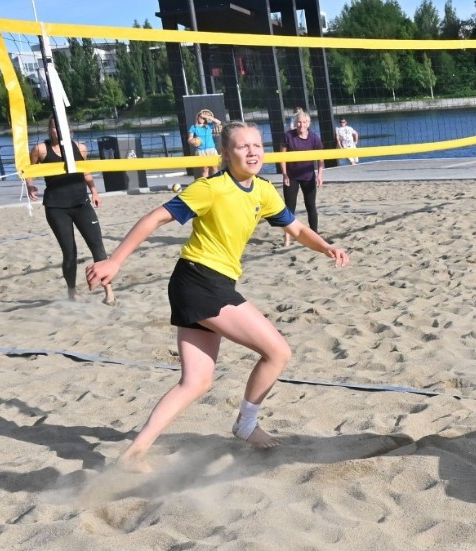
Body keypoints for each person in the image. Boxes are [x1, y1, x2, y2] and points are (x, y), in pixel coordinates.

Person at [85, 121, 349, 473]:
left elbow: (297, 229)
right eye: (243, 146)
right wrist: (115, 261)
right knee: (278, 351)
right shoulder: (210, 188)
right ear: (226, 153)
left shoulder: (263, 191)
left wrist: (326, 246)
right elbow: (155, 218)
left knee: (196, 382)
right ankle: (246, 424)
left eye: (257, 145)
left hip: (206, 282)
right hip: (200, 281)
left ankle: (134, 453)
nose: (253, 151)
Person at [25, 116, 115, 305]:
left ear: (68, 129)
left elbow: (85, 171)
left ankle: (109, 293)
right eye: (54, 127)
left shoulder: (80, 147)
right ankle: (72, 292)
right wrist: (30, 185)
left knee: (97, 246)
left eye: (61, 126)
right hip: (56, 207)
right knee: (69, 252)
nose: (57, 130)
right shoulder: (41, 149)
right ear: (49, 130)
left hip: (81, 203)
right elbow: (29, 170)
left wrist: (94, 191)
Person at [280, 110, 324, 247]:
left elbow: (321, 158)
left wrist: (320, 174)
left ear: (308, 123)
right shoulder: (288, 136)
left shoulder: (313, 138)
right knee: (289, 209)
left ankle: (315, 235)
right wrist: (284, 174)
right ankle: (287, 238)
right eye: (299, 122)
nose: (301, 124)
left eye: (304, 122)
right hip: (291, 176)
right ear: (295, 123)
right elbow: (282, 157)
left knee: (311, 206)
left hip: (308, 176)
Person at [188, 109, 222, 177]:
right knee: (205, 169)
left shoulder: (209, 126)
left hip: (211, 149)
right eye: (201, 117)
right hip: (200, 150)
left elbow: (219, 122)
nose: (202, 119)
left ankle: (215, 181)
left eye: (204, 118)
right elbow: (190, 138)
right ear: (198, 117)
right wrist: (192, 141)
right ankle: (206, 182)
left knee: (214, 168)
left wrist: (208, 117)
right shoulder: (193, 127)